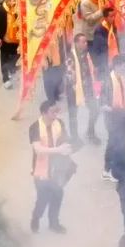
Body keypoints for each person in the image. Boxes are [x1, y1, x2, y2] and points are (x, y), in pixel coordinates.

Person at [29, 100, 75, 234]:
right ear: (44, 113)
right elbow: (38, 149)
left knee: (57, 195)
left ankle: (54, 223)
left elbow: (65, 140)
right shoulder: (35, 127)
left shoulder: (59, 123)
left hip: (57, 170)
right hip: (41, 171)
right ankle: (35, 218)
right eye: (53, 111)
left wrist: (68, 148)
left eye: (57, 111)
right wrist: (59, 150)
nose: (56, 114)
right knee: (42, 199)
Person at [65, 33, 101, 145]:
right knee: (73, 114)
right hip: (74, 90)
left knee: (95, 109)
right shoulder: (70, 57)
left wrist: (97, 85)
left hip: (88, 88)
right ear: (76, 43)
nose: (86, 44)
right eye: (83, 42)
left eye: (86, 42)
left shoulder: (87, 55)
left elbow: (92, 72)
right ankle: (74, 137)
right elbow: (70, 77)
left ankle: (90, 132)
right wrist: (77, 89)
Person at [103, 57, 125, 180]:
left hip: (124, 115)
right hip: (113, 117)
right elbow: (102, 99)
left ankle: (112, 169)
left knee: (122, 142)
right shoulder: (108, 80)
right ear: (116, 66)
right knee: (114, 143)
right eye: (123, 66)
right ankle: (110, 170)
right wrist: (107, 107)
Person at [0, 0, 20, 89]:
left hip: (16, 39)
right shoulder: (0, 11)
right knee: (4, 58)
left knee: (16, 55)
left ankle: (11, 67)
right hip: (5, 39)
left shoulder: (17, 9)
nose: (14, 1)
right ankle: (5, 78)